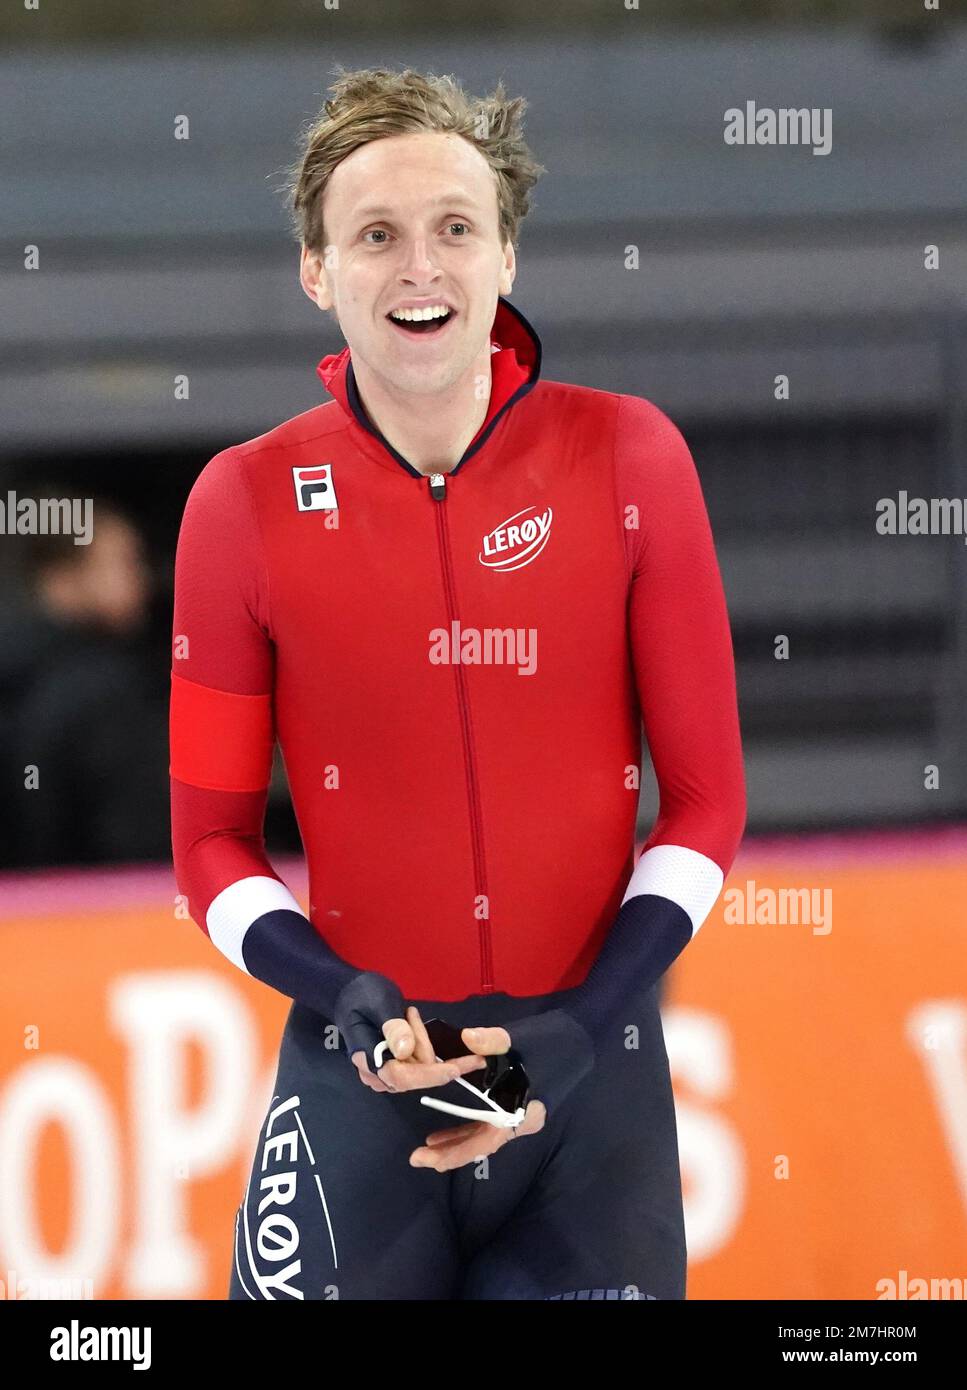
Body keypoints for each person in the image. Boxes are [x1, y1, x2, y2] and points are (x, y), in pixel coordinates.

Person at [169, 66, 746, 1301]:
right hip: (363, 1078)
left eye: (453, 228)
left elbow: (706, 805)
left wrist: (579, 1030)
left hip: (588, 1086)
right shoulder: (243, 501)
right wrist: (341, 992)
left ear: (507, 255)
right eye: (374, 235)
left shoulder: (629, 454)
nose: (418, 266)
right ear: (317, 272)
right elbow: (210, 843)